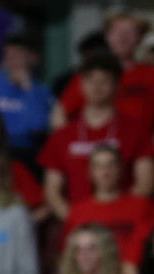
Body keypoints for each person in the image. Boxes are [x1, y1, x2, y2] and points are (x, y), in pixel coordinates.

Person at [40, 52, 154, 222]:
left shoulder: (136, 129)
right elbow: (52, 192)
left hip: (123, 224)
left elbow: (145, 183)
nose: (97, 86)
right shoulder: (62, 135)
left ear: (117, 86)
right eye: (90, 80)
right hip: (78, 228)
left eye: (104, 80)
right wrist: (78, 221)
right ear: (80, 85)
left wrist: (120, 215)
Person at [54, 9, 154, 135]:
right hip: (97, 143)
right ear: (107, 36)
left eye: (129, 32)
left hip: (138, 142)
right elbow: (60, 113)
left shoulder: (150, 75)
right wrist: (70, 141)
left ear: (140, 38)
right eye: (117, 32)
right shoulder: (89, 74)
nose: (122, 37)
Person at [63, 145, 154, 268]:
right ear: (90, 172)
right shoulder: (77, 212)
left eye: (111, 165)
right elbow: (69, 255)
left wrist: (130, 268)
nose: (105, 172)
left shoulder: (143, 206)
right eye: (98, 166)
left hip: (136, 272)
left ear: (121, 169)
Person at [0, 34, 53, 156]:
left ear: (31, 58)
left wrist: (28, 88)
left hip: (24, 150)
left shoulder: (41, 91)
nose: (12, 62)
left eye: (17, 56)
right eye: (8, 56)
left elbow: (38, 126)